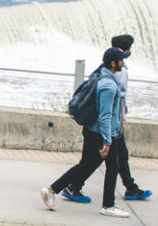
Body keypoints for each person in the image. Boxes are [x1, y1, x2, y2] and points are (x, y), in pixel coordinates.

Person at [40, 46, 132, 218]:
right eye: (121, 60)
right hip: (104, 133)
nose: (123, 62)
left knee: (86, 166)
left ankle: (51, 189)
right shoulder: (109, 86)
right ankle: (108, 205)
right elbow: (105, 115)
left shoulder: (100, 75)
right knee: (113, 167)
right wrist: (107, 141)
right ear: (114, 63)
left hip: (93, 130)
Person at [62, 33, 151, 204]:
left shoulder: (103, 68)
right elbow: (116, 101)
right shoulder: (118, 72)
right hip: (109, 125)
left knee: (112, 159)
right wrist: (119, 124)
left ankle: (128, 187)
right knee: (100, 161)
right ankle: (70, 187)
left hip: (103, 124)